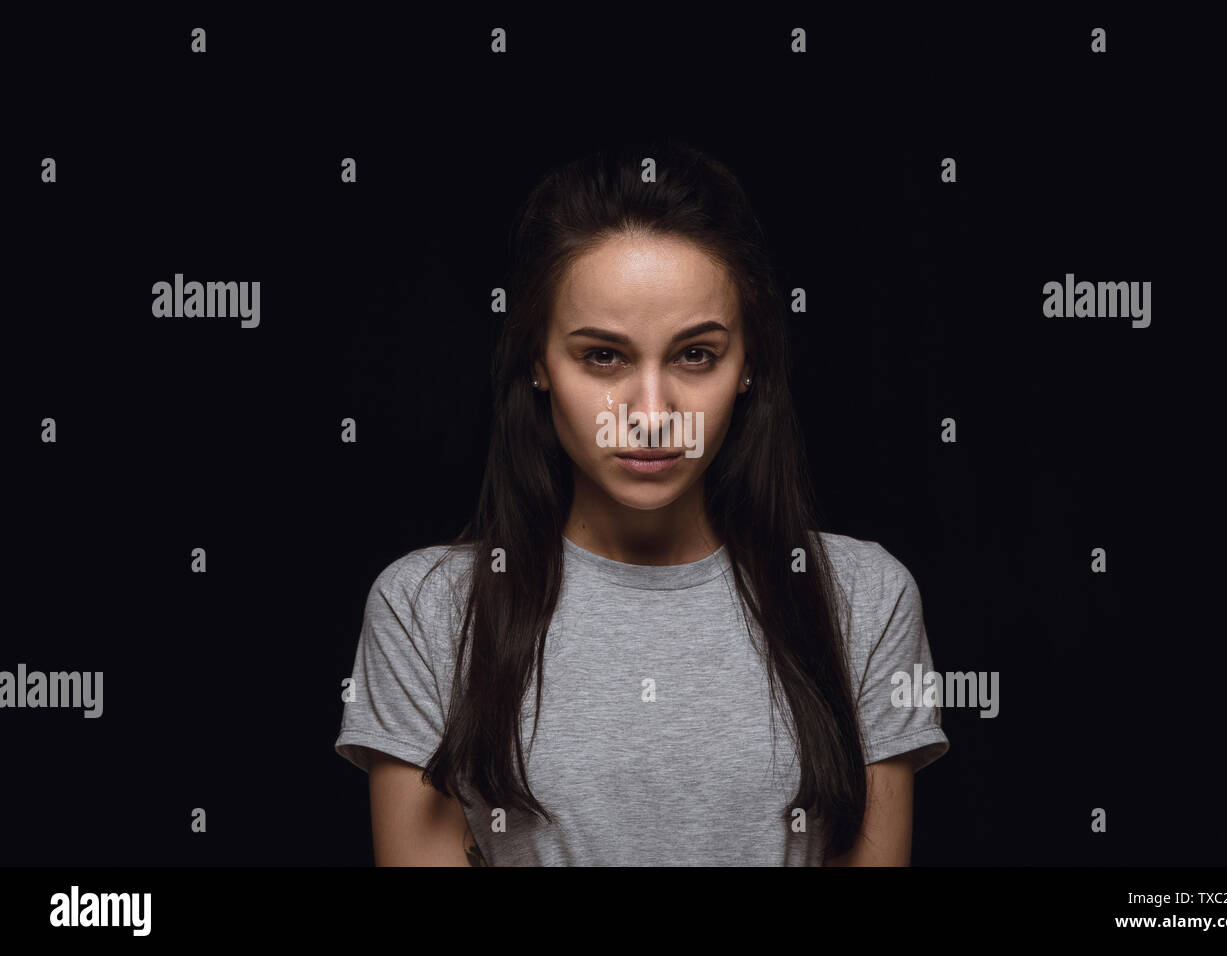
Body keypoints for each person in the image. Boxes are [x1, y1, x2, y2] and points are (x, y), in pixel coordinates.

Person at [335, 139, 949, 865]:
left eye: (696, 355)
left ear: (748, 365)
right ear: (538, 361)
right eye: (603, 356)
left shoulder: (863, 599)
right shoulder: (428, 610)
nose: (652, 412)